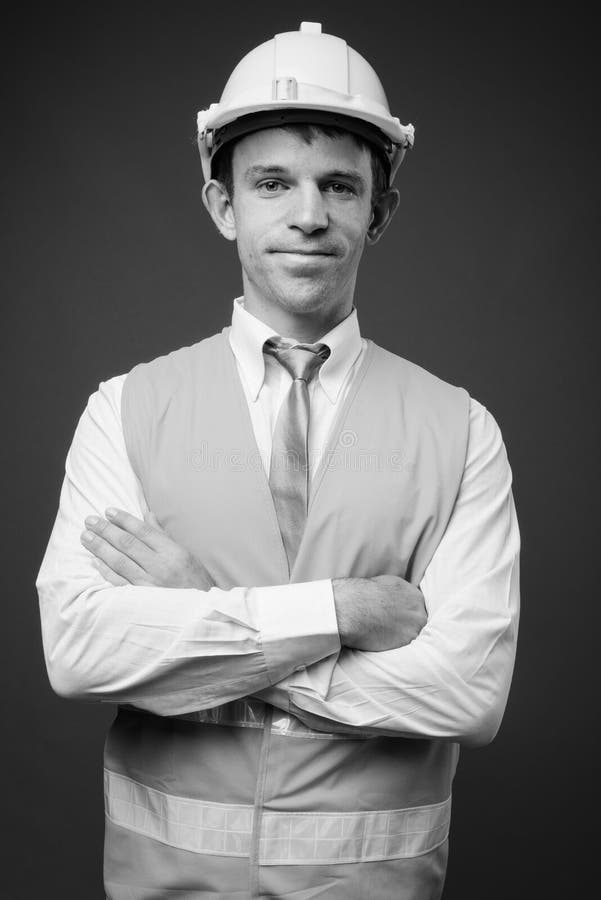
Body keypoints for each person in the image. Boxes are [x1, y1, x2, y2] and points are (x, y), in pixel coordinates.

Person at [36, 21, 520, 900]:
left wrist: (200, 619)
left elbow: (466, 696)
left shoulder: (461, 430)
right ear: (224, 206)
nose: (308, 214)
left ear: (379, 211)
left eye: (340, 186)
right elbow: (79, 653)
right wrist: (344, 609)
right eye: (272, 184)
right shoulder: (125, 410)